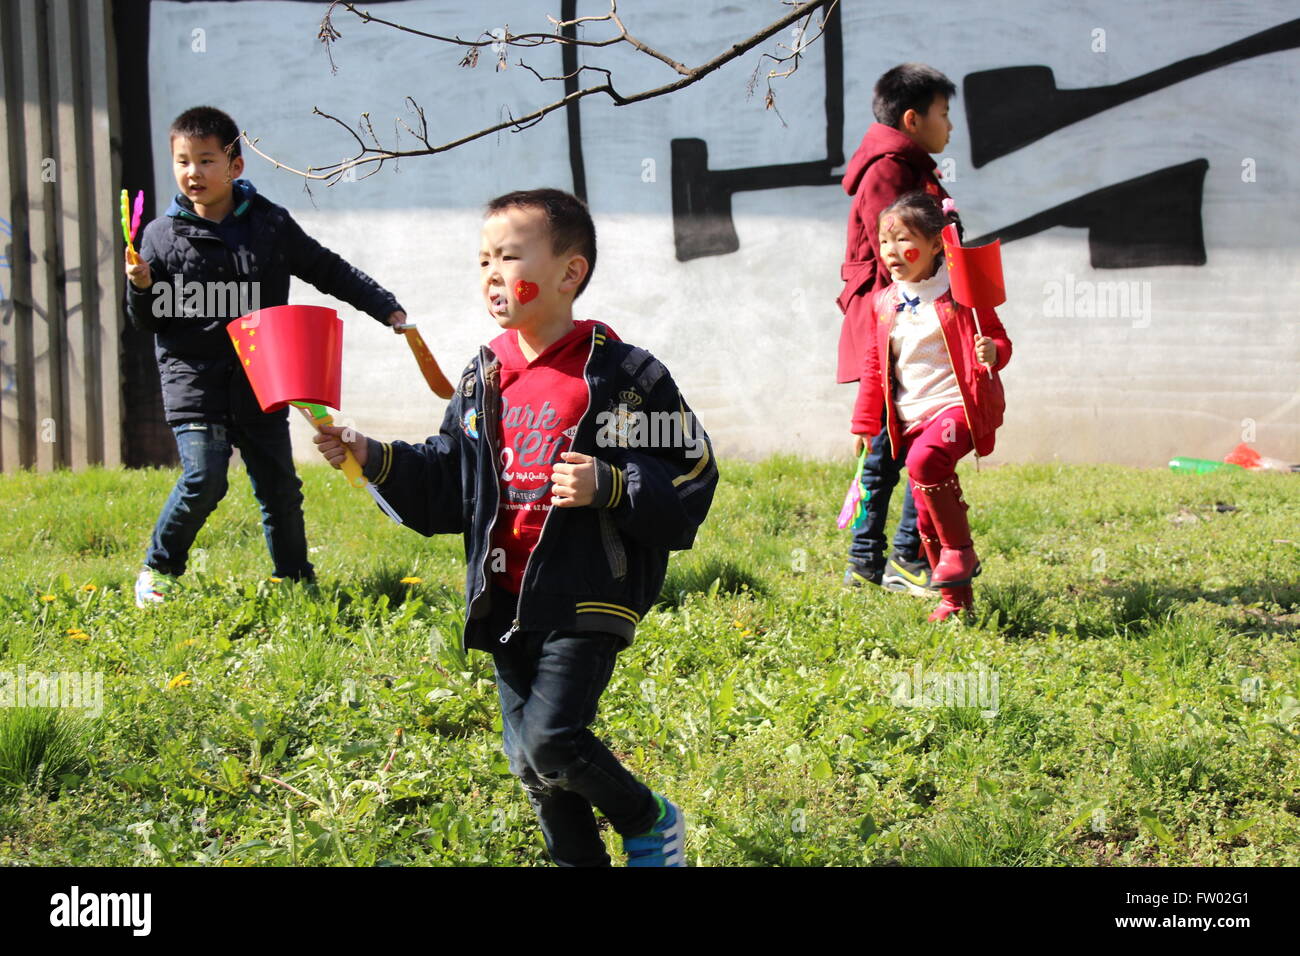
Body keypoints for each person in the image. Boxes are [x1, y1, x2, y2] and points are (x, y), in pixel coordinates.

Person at [312, 189, 717, 866]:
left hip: (587, 592)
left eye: (509, 257)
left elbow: (693, 471)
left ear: (569, 273)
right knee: (531, 769)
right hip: (505, 599)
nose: (492, 274)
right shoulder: (481, 377)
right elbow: (449, 480)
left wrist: (611, 485)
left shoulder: (623, 376)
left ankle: (648, 819)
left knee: (552, 742)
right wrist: (373, 456)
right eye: (482, 261)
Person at [124, 106, 408, 607]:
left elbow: (327, 268)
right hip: (194, 380)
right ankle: (159, 568)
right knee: (204, 477)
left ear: (235, 166)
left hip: (264, 377)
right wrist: (144, 288)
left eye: (207, 160)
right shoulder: (158, 238)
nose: (194, 173)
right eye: (183, 161)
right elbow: (149, 321)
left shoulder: (270, 225)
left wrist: (385, 307)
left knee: (280, 489)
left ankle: (295, 579)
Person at [850, 192, 1011, 622]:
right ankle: (955, 601)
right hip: (910, 416)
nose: (890, 253)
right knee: (925, 510)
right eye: (884, 243)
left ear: (937, 243)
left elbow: (999, 338)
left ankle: (960, 553)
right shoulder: (885, 302)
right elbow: (873, 367)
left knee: (925, 462)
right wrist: (865, 424)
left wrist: (991, 351)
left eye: (902, 240)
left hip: (957, 408)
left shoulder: (962, 289)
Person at [836, 63, 956, 594]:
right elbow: (899, 259)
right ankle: (894, 560)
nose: (950, 127)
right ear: (913, 118)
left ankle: (877, 564)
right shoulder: (890, 169)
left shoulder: (903, 164)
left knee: (901, 446)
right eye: (944, 114)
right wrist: (919, 314)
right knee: (896, 446)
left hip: (906, 323)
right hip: (897, 329)